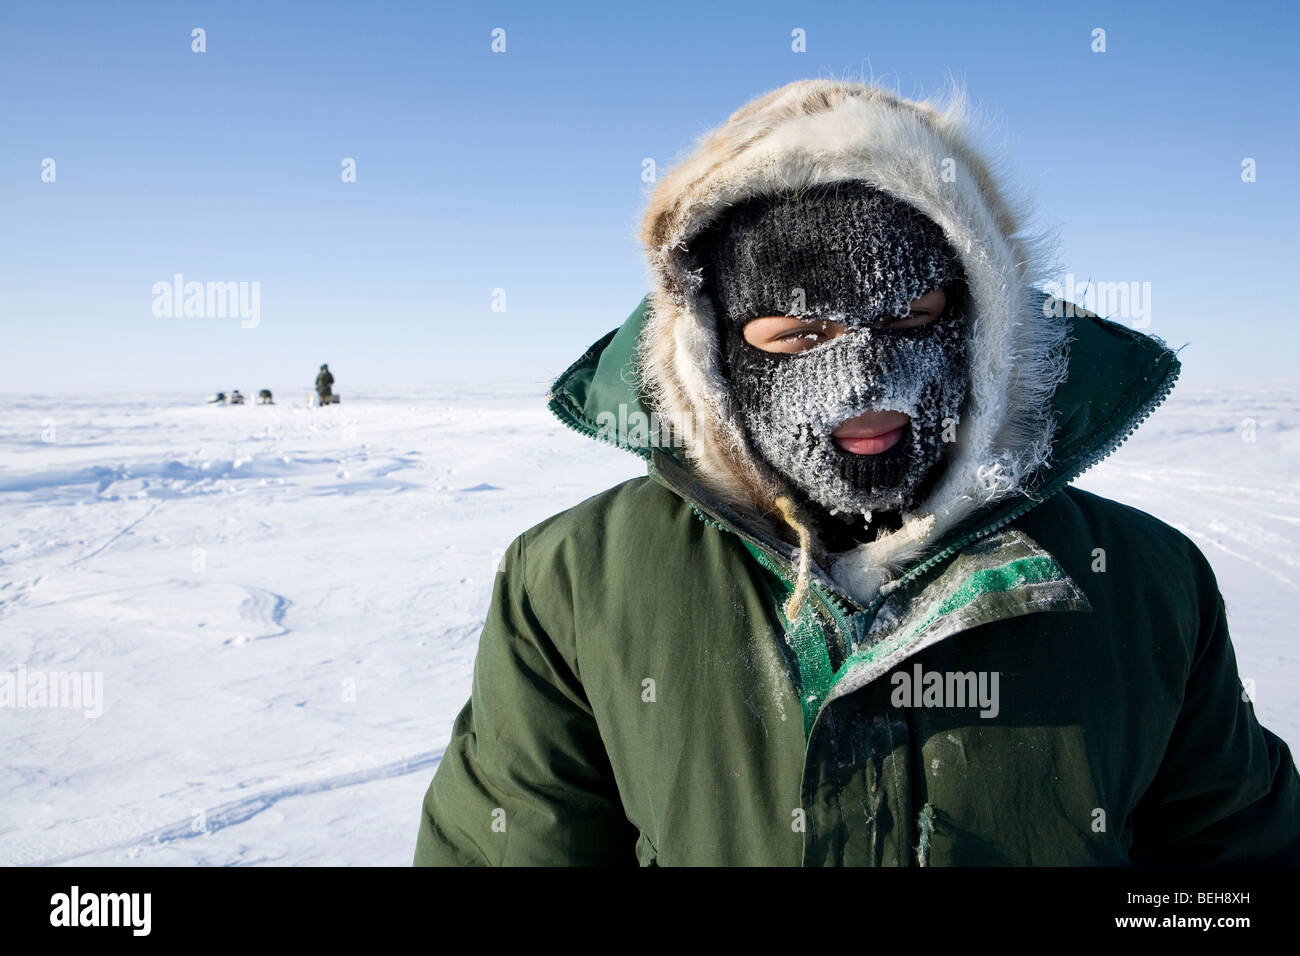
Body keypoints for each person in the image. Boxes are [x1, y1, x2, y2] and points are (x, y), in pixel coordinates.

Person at [413, 79, 1300, 866]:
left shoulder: (1144, 579)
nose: (869, 382)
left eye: (914, 317)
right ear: (712, 350)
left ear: (984, 317)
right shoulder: (572, 584)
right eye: (800, 335)